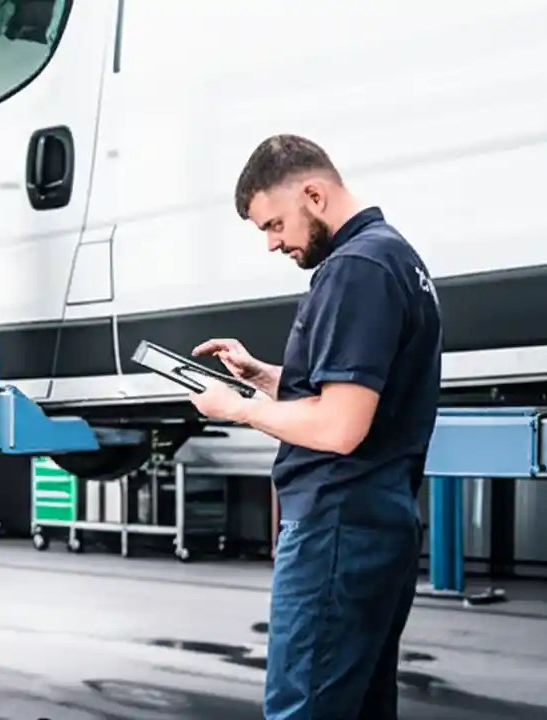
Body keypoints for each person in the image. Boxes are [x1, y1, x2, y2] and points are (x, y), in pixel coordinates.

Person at [188, 134, 442, 719]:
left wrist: (236, 409)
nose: (273, 243)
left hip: (335, 524)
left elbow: (338, 427)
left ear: (314, 194)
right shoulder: (397, 258)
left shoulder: (354, 269)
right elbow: (359, 395)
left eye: (275, 225)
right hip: (377, 521)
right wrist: (264, 378)